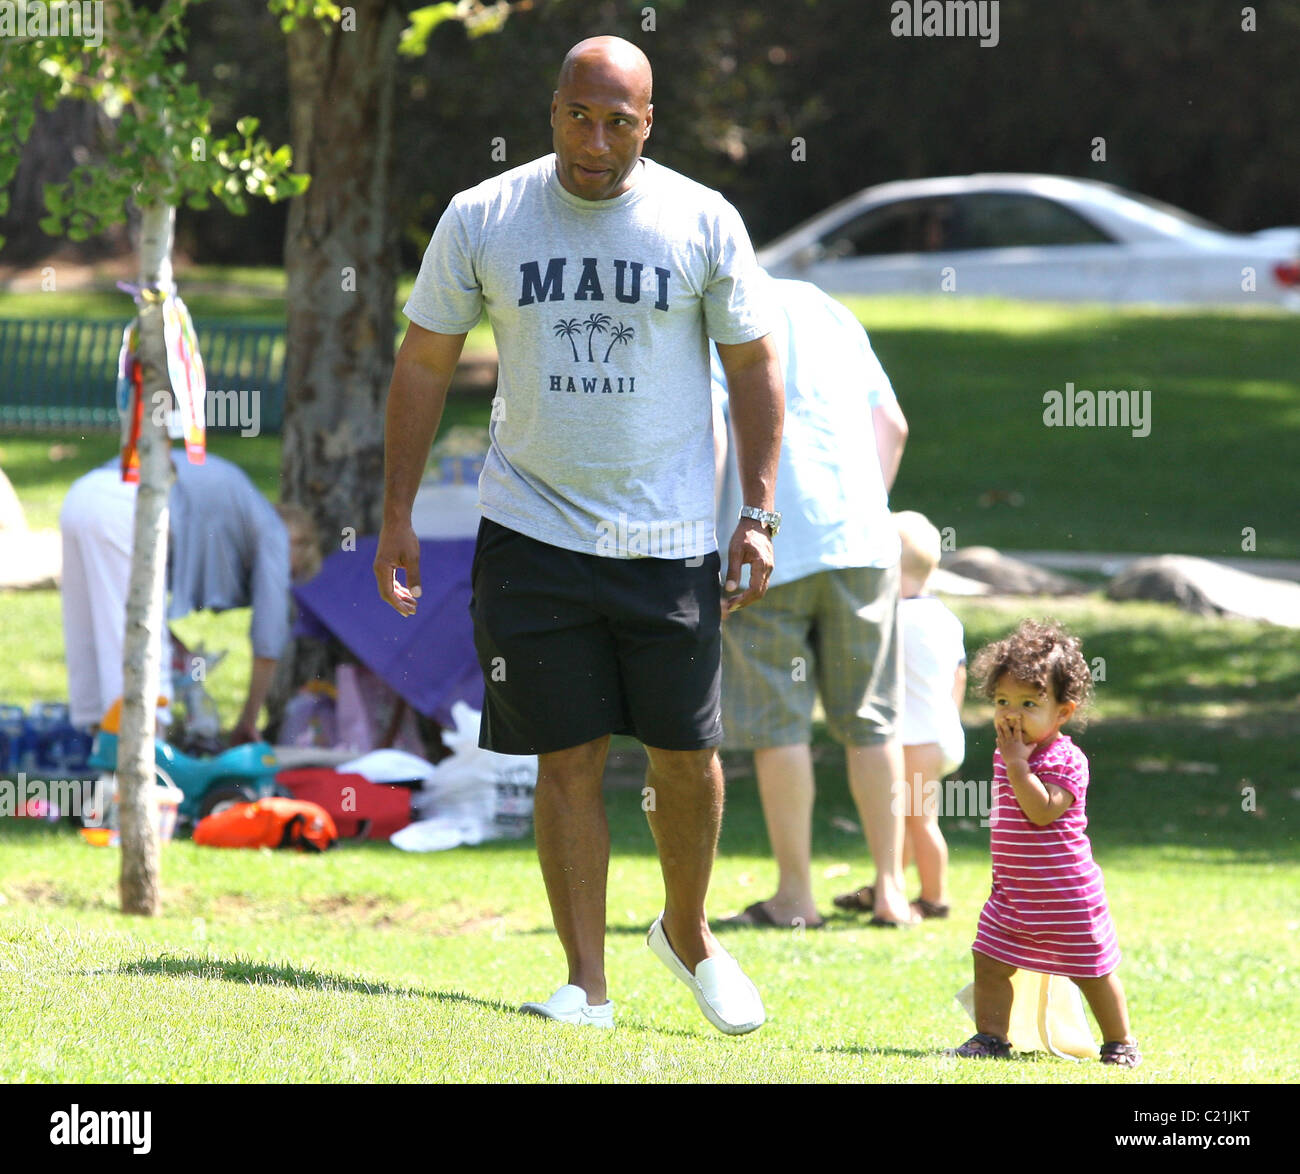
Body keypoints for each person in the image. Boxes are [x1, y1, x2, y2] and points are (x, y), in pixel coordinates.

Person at [374, 36, 784, 1033]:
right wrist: (394, 511)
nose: (593, 142)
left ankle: (686, 932)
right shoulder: (485, 216)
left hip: (671, 534)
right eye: (576, 116)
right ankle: (584, 984)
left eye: (618, 122)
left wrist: (758, 511)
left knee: (687, 756)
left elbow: (755, 369)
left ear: (651, 122)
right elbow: (425, 363)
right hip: (531, 529)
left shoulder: (701, 220)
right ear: (551, 107)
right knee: (568, 754)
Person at [712, 273, 914, 930]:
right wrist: (868, 508)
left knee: (778, 725)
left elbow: (717, 438)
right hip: (862, 539)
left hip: (768, 542)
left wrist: (712, 541)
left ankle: (795, 896)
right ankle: (891, 889)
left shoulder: (719, 310)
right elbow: (894, 424)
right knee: (872, 721)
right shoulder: (829, 306)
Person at [949, 619, 1140, 1067]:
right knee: (990, 961)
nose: (1010, 714)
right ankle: (991, 1036)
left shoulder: (1065, 759)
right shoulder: (1009, 753)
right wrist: (1014, 762)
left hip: (1066, 894)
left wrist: (1018, 767)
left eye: (1028, 703)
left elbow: (1042, 811)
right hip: (1015, 894)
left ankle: (1119, 1041)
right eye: (1002, 701)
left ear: (1063, 712)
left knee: (1092, 972)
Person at [60, 451, 318, 741]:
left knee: (94, 644)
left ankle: (101, 764)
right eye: (290, 574)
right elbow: (269, 641)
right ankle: (142, 773)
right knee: (143, 664)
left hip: (81, 496)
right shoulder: (275, 534)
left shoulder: (243, 509)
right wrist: (248, 720)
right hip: (132, 507)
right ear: (296, 548)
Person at [836, 509, 966, 920]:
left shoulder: (895, 619)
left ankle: (933, 897)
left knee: (920, 819)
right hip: (939, 733)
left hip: (916, 738)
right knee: (909, 816)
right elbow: (958, 676)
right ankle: (887, 885)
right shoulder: (944, 618)